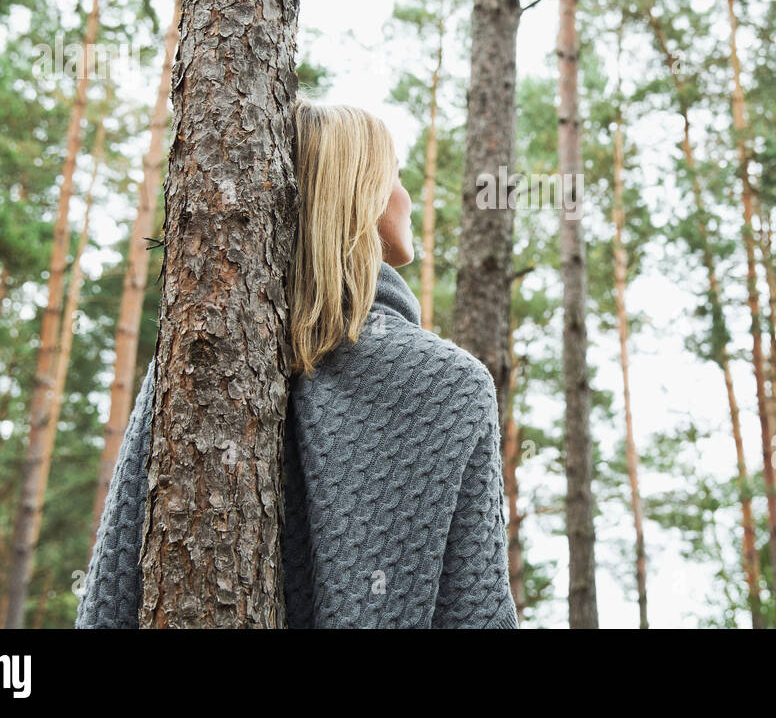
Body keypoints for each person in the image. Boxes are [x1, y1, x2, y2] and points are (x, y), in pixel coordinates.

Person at [76, 98, 518, 628]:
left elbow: (116, 582)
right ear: (361, 194)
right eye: (395, 176)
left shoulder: (197, 353)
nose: (404, 197)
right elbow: (475, 610)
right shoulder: (451, 386)